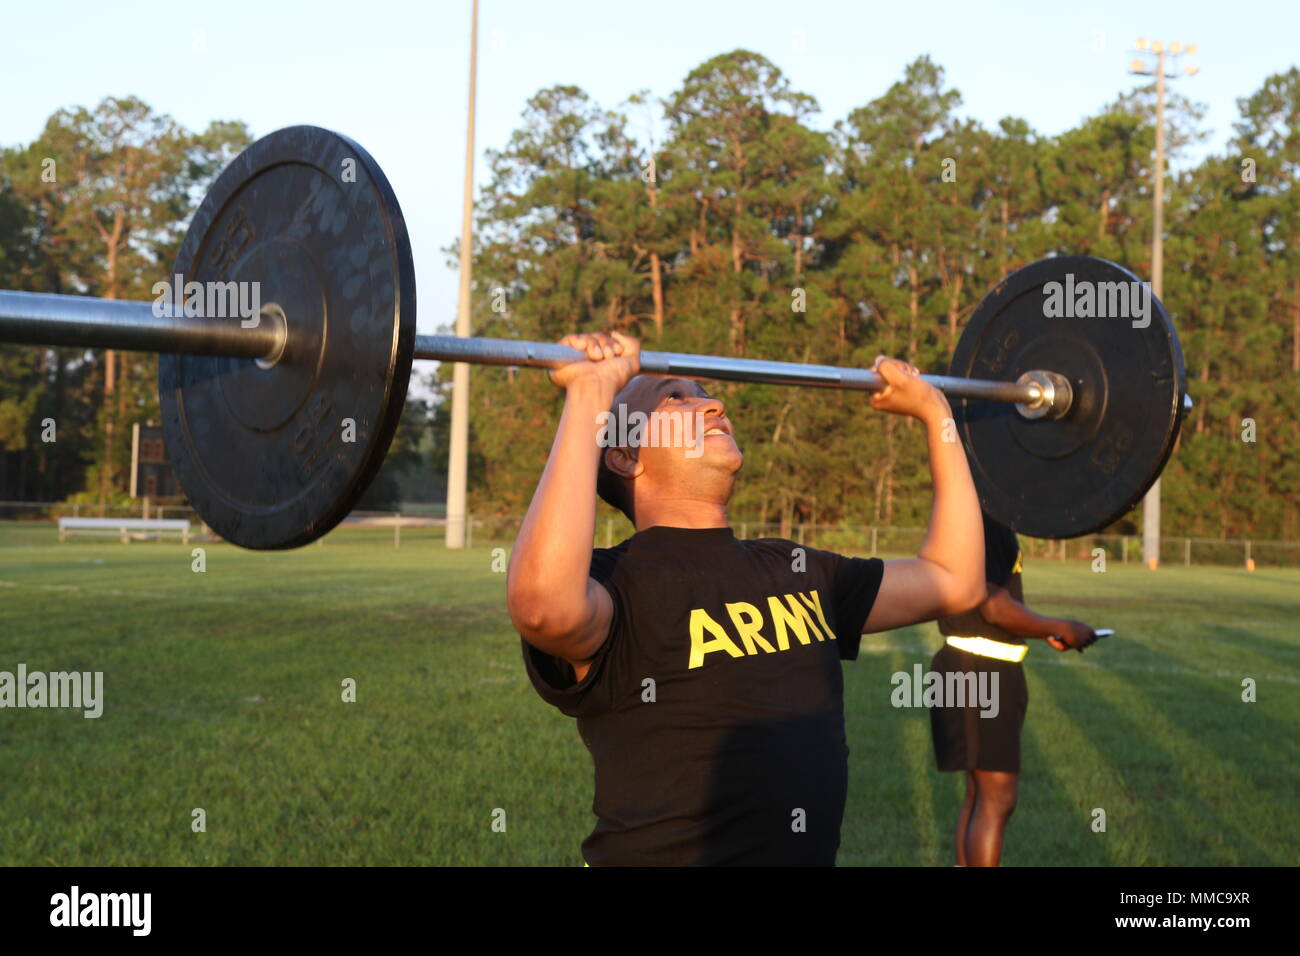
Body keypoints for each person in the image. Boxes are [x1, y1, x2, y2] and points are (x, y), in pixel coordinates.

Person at [507, 331, 987, 866]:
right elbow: (542, 607)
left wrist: (936, 413)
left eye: (703, 392)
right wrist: (589, 395)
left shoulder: (796, 567)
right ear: (625, 455)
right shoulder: (618, 583)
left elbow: (956, 579)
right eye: (674, 397)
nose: (714, 403)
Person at [929, 511, 1099, 867]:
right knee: (997, 798)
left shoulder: (975, 512)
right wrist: (1060, 625)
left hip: (974, 665)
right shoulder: (987, 517)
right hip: (980, 670)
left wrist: (1041, 630)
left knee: (980, 794)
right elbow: (993, 605)